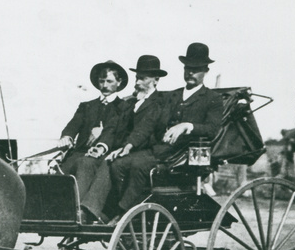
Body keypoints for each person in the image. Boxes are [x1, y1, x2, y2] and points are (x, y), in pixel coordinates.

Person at [109, 43, 224, 216]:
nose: (190, 73)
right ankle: (129, 207)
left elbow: (212, 129)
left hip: (183, 156)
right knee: (118, 164)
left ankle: (124, 213)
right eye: (187, 68)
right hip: (159, 151)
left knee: (139, 166)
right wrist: (129, 145)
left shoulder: (212, 98)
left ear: (206, 71)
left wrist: (187, 126)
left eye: (196, 69)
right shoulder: (171, 96)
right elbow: (149, 123)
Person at [57, 60, 129, 221]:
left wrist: (102, 136)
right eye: (101, 81)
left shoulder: (124, 107)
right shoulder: (86, 106)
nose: (104, 85)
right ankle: (55, 210)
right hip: (80, 153)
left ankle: (79, 211)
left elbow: (120, 132)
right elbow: (73, 125)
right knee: (60, 170)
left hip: (104, 156)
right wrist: (67, 136)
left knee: (85, 163)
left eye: (109, 81)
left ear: (119, 82)